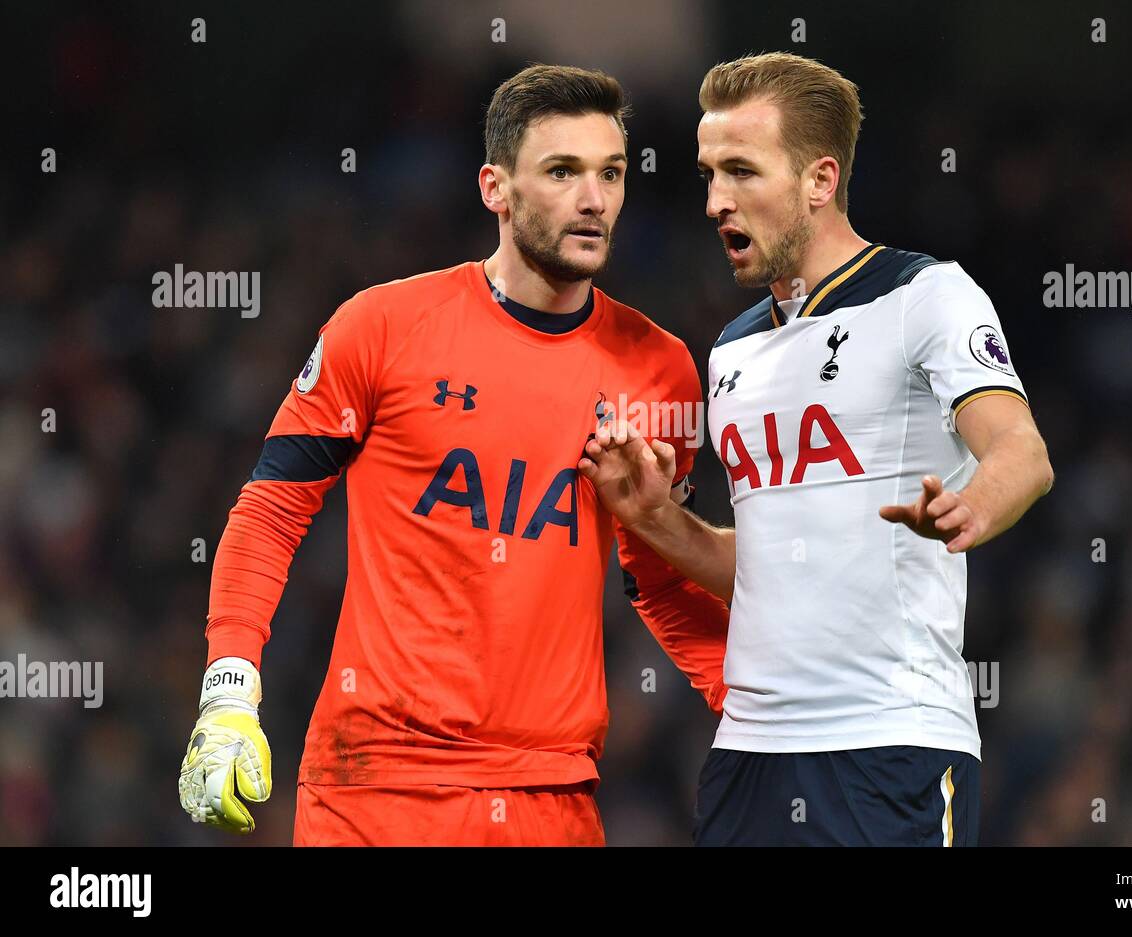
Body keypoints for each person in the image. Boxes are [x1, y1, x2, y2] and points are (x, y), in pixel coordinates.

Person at [179, 64, 729, 846]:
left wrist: (748, 711)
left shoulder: (661, 368)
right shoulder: (383, 327)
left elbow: (666, 574)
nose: (594, 199)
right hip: (374, 786)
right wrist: (229, 685)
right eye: (562, 172)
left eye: (610, 173)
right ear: (494, 188)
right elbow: (270, 510)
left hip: (549, 798)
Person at [579, 52, 1054, 846]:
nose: (714, 201)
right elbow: (769, 566)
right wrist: (657, 520)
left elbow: (1021, 450)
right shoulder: (730, 351)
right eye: (707, 175)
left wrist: (970, 502)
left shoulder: (925, 295)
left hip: (889, 744)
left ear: (819, 180)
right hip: (749, 753)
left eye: (740, 171)